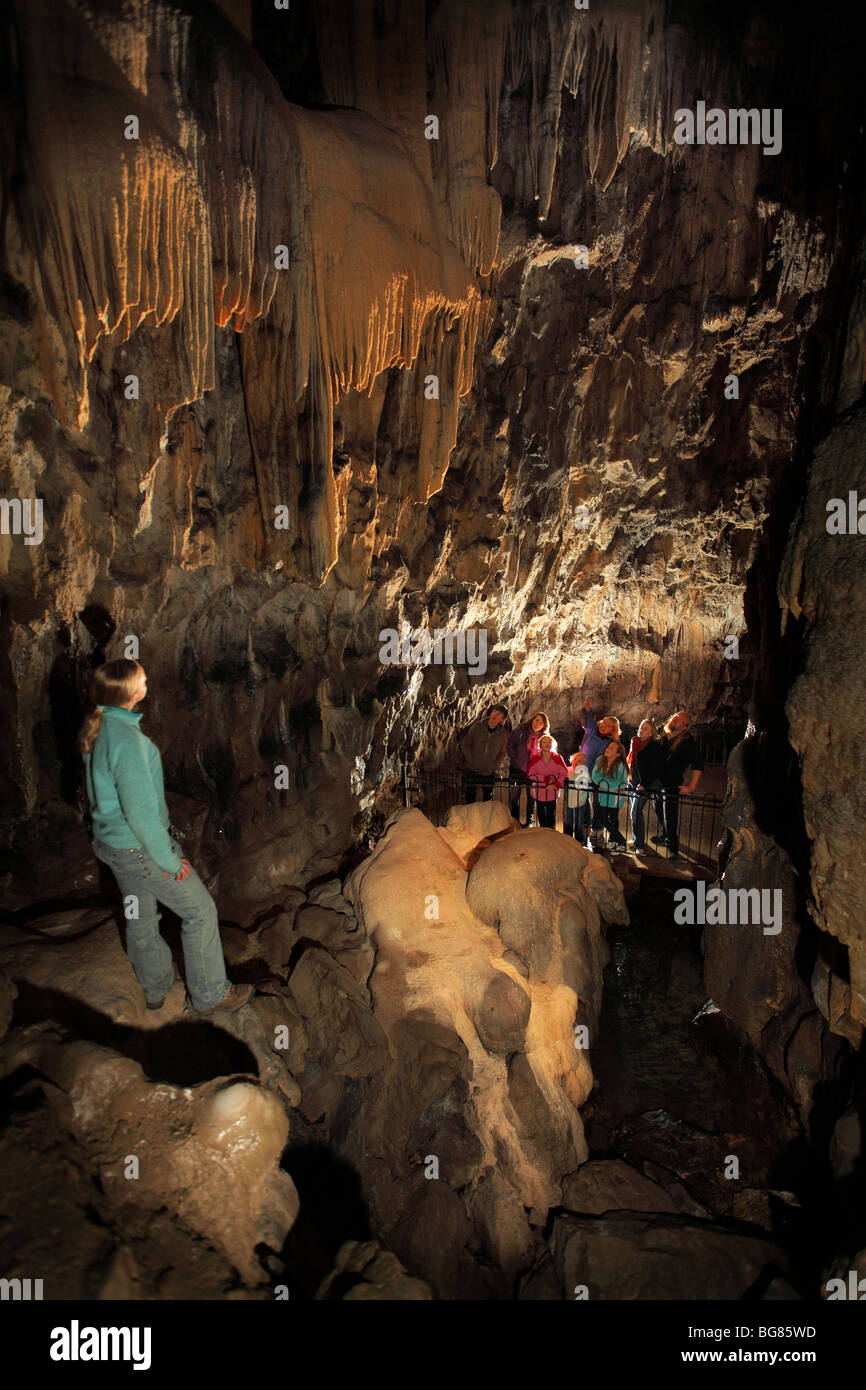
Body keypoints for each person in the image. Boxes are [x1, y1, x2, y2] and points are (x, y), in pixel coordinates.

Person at [78, 658, 253, 1015]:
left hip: (113, 846)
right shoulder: (127, 741)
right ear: (131, 692)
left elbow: (97, 796)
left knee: (140, 916)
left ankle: (154, 989)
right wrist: (171, 862)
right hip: (139, 847)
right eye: (142, 679)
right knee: (200, 911)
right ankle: (210, 994)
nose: (147, 682)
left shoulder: (98, 730)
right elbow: (141, 815)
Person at [654, 710, 704, 859]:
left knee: (670, 815)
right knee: (658, 809)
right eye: (677, 717)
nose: (677, 719)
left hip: (672, 783)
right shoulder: (662, 736)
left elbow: (698, 765)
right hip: (658, 782)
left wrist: (691, 787)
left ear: (685, 727)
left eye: (682, 720)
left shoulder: (687, 742)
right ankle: (665, 834)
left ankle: (672, 847)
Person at [580, 696, 621, 847]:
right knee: (582, 800)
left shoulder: (610, 743)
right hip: (584, 771)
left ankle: (596, 829)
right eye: (604, 722)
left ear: (612, 730)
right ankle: (584, 826)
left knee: (597, 802)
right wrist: (587, 709)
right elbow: (587, 720)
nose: (604, 725)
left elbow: (615, 759)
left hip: (598, 776)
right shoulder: (592, 731)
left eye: (609, 725)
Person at [506, 710, 550, 827]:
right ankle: (514, 819)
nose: (538, 723)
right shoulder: (520, 731)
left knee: (532, 797)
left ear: (544, 726)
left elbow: (549, 751)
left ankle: (529, 820)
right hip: (517, 768)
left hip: (534, 772)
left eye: (541, 722)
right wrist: (515, 758)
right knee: (514, 796)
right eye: (537, 720)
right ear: (532, 720)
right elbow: (509, 744)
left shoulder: (544, 737)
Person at [458, 703, 509, 802]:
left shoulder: (502, 734)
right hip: (472, 768)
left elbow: (502, 753)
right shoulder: (477, 727)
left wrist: (494, 765)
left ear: (502, 719)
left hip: (489, 770)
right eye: (494, 711)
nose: (495, 715)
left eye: (499, 714)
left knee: (488, 798)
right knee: (470, 797)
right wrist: (470, 759)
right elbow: (465, 744)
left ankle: (485, 817)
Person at [627, 719, 665, 851]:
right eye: (641, 727)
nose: (641, 730)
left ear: (651, 733)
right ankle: (636, 839)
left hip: (646, 784)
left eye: (646, 728)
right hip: (635, 782)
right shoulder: (635, 743)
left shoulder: (653, 747)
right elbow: (633, 764)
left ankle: (639, 845)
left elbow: (654, 769)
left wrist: (644, 784)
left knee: (635, 811)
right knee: (636, 812)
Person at [591, 739, 629, 849]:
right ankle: (621, 840)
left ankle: (613, 840)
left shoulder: (621, 765)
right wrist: (606, 785)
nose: (607, 748)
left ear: (617, 754)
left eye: (611, 748)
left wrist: (608, 785)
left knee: (613, 818)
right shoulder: (600, 760)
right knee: (603, 818)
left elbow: (622, 781)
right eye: (608, 746)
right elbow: (595, 776)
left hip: (615, 797)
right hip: (603, 795)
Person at [526, 734, 569, 829]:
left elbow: (564, 774)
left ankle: (551, 834)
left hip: (552, 791)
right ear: (540, 745)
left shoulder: (558, 758)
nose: (547, 744)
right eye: (544, 742)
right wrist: (545, 779)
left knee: (551, 814)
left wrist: (556, 784)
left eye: (549, 742)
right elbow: (530, 774)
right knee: (541, 814)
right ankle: (543, 833)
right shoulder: (535, 758)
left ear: (553, 744)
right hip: (539, 791)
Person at [563, 751, 591, 843]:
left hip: (580, 800)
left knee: (579, 820)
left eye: (581, 760)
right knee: (569, 819)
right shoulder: (568, 770)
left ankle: (579, 838)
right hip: (569, 799)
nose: (577, 762)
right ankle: (568, 836)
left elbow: (586, 783)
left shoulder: (584, 771)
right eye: (575, 759)